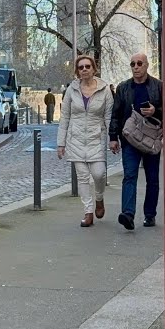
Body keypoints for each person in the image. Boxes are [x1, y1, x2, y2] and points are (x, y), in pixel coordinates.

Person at [57, 54, 113, 227]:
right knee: (82, 177)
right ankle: (88, 212)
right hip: (76, 138)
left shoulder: (104, 90)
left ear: (93, 69)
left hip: (97, 137)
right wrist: (61, 143)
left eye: (87, 66)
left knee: (99, 173)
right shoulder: (71, 90)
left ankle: (99, 198)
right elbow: (65, 117)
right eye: (81, 67)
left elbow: (109, 116)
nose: (84, 70)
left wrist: (113, 139)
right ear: (77, 71)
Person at [109, 53, 163, 230]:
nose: (136, 67)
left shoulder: (158, 86)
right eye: (133, 64)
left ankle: (149, 215)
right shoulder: (123, 88)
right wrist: (113, 137)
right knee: (130, 175)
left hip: (151, 139)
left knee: (152, 178)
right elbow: (116, 113)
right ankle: (128, 214)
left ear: (147, 65)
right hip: (130, 139)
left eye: (139, 63)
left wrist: (155, 110)